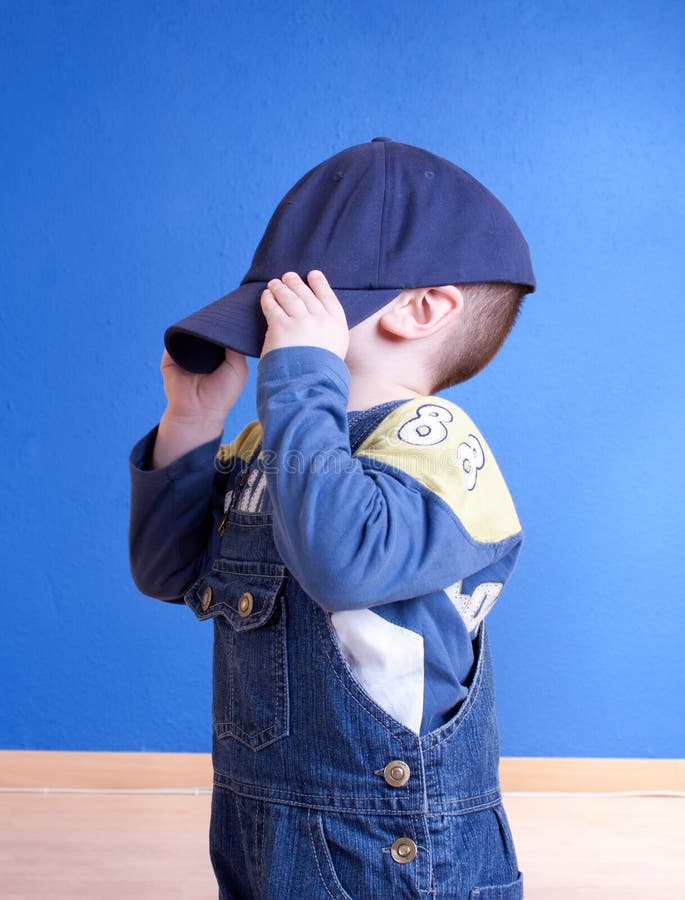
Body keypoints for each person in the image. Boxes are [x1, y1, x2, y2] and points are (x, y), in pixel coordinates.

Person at [128, 137, 536, 899]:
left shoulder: (439, 444)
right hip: (258, 814)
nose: (272, 341)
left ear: (421, 309)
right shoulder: (270, 443)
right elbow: (168, 571)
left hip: (387, 835)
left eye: (302, 313)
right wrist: (189, 422)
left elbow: (340, 561)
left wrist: (299, 373)